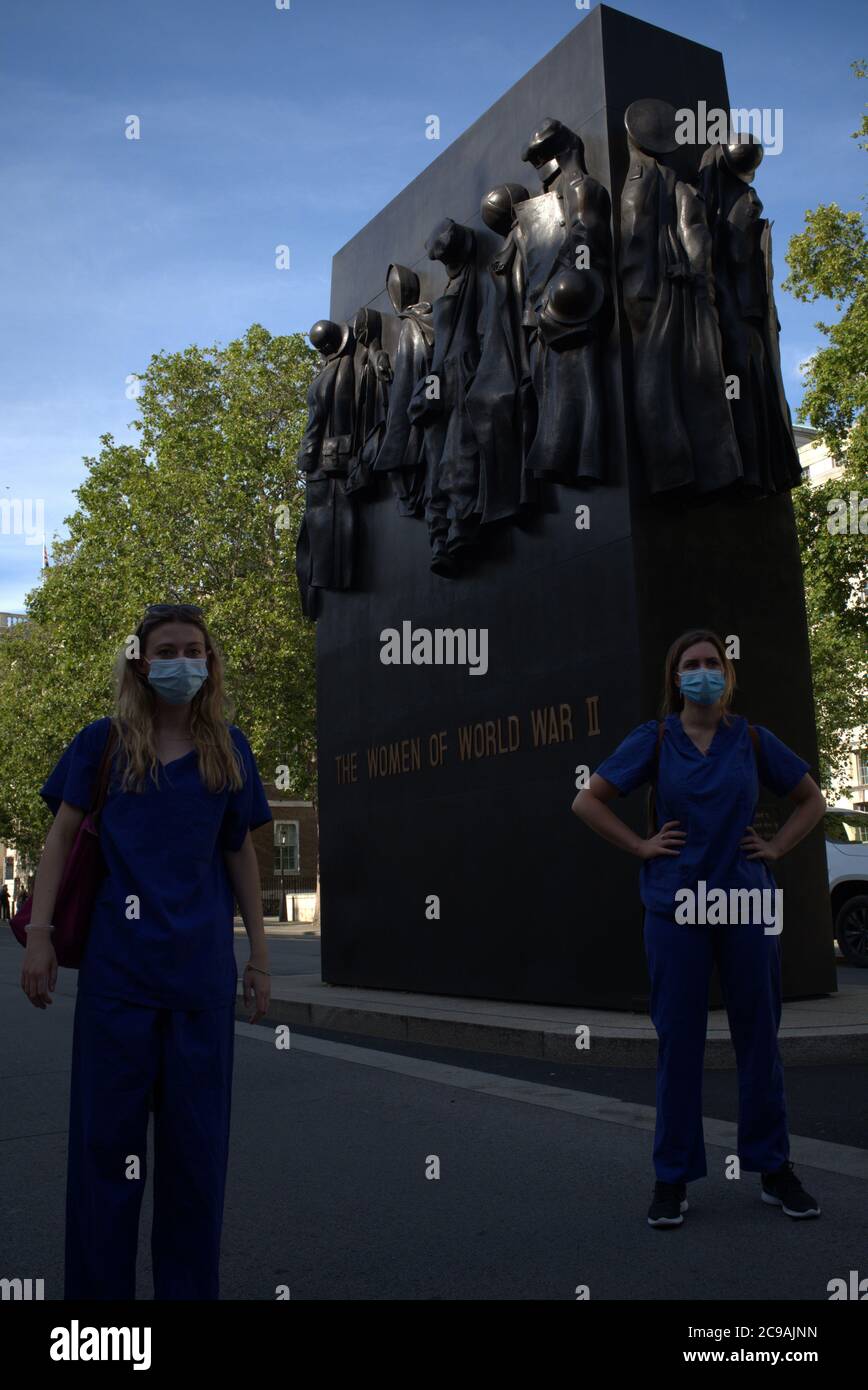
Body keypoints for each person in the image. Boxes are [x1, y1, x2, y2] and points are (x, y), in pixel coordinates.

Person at [20, 602, 273, 1299]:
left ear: (211, 661)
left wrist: (259, 956)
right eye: (167, 650)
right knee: (106, 1156)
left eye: (195, 649)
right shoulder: (102, 744)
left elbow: (240, 856)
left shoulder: (231, 749)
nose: (182, 662)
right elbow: (61, 840)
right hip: (117, 985)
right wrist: (38, 937)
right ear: (139, 660)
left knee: (196, 1161)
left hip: (197, 985)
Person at [571, 629, 827, 1228]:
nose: (704, 671)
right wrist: (641, 844)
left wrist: (776, 847)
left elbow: (811, 801)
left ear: (728, 675)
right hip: (676, 908)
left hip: (745, 905)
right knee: (679, 1043)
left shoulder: (754, 740)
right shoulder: (655, 740)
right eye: (692, 664)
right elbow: (587, 802)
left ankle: (774, 1169)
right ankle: (673, 1177)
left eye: (714, 662)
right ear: (675, 677)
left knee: (760, 1039)